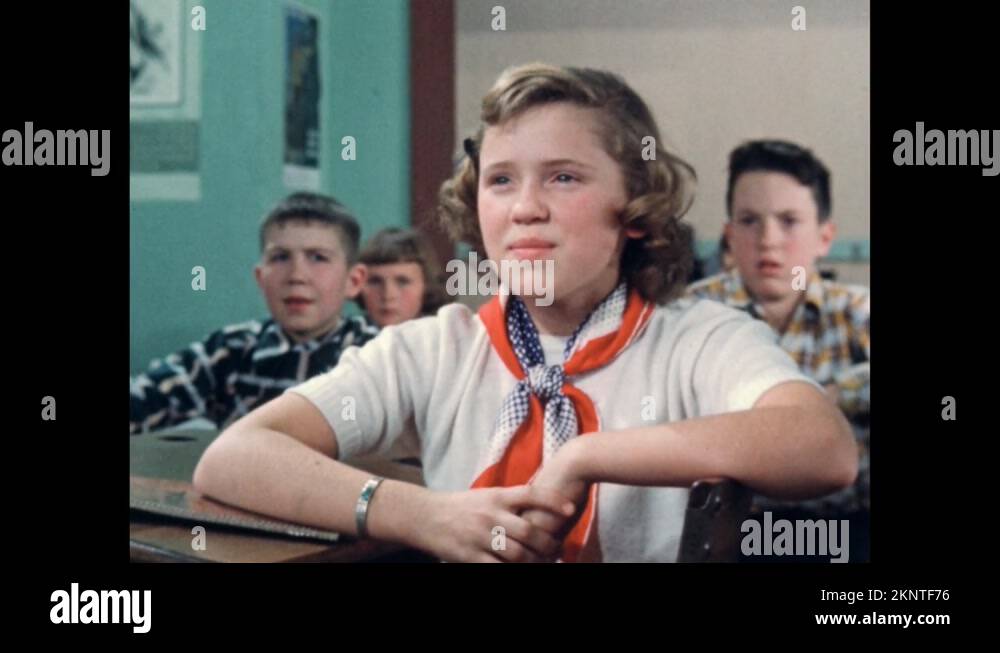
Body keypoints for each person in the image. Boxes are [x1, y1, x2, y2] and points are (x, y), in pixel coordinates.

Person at [193, 64, 857, 563]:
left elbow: (823, 448)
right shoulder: (433, 348)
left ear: (634, 207)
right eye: (501, 179)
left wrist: (589, 455)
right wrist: (418, 513)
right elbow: (234, 457)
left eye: (563, 177)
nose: (524, 207)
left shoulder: (694, 337)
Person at [687, 139, 870, 561]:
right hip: (732, 532)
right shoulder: (691, 314)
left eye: (789, 221)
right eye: (750, 221)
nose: (769, 240)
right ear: (729, 236)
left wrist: (837, 394)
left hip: (844, 532)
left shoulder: (855, 311)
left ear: (825, 237)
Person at [130, 192, 377, 434]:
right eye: (280, 257)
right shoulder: (230, 351)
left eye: (318, 258)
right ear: (261, 278)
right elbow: (144, 400)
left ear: (354, 280)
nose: (297, 276)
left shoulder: (377, 356)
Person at [356, 227, 448, 327]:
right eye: (375, 281)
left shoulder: (443, 338)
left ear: (427, 286)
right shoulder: (349, 337)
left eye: (402, 282)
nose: (388, 295)